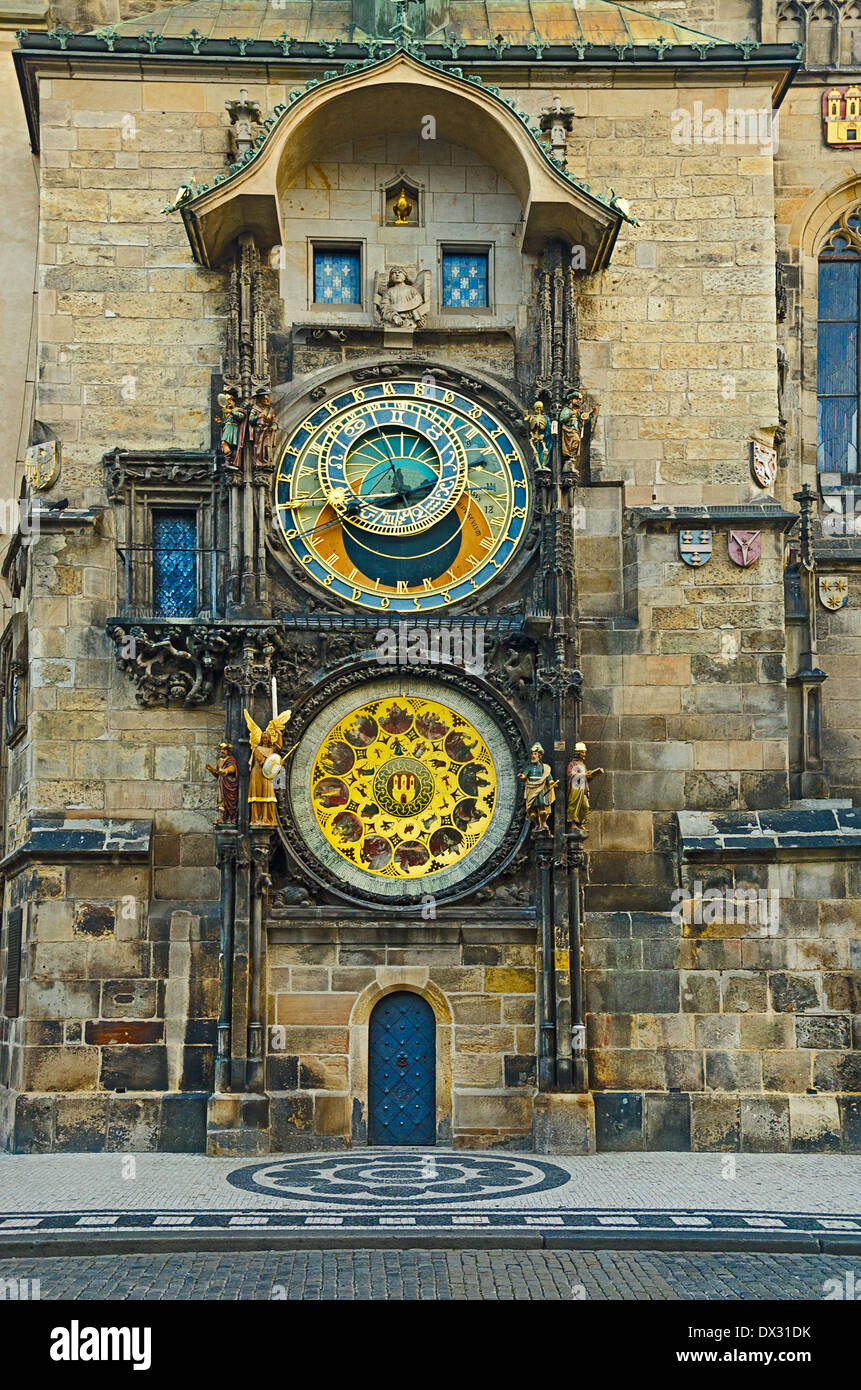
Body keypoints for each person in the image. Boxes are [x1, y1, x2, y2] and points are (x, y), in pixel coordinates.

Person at [518, 742, 558, 831]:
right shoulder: (529, 767)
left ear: (539, 756)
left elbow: (548, 776)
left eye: (535, 754)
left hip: (541, 789)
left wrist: (551, 782)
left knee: (542, 806)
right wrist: (522, 776)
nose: (533, 756)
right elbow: (525, 775)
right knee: (532, 809)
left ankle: (543, 823)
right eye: (532, 754)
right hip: (531, 788)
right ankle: (536, 824)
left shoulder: (544, 767)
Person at [566, 741, 604, 827]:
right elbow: (570, 775)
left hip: (582, 788)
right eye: (583, 752)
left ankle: (580, 823)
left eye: (584, 752)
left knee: (585, 806)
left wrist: (592, 775)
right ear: (578, 753)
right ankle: (573, 823)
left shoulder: (582, 765)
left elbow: (586, 777)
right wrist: (583, 774)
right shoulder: (573, 764)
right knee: (574, 805)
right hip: (576, 788)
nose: (584, 754)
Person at [205, 742, 238, 824]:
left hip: (229, 783)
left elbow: (232, 768)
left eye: (224, 750)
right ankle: (222, 818)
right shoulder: (219, 761)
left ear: (227, 751)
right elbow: (217, 774)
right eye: (221, 749)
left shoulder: (231, 759)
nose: (222, 751)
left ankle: (232, 819)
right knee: (221, 801)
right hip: (221, 783)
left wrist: (226, 770)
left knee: (231, 801)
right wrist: (211, 769)